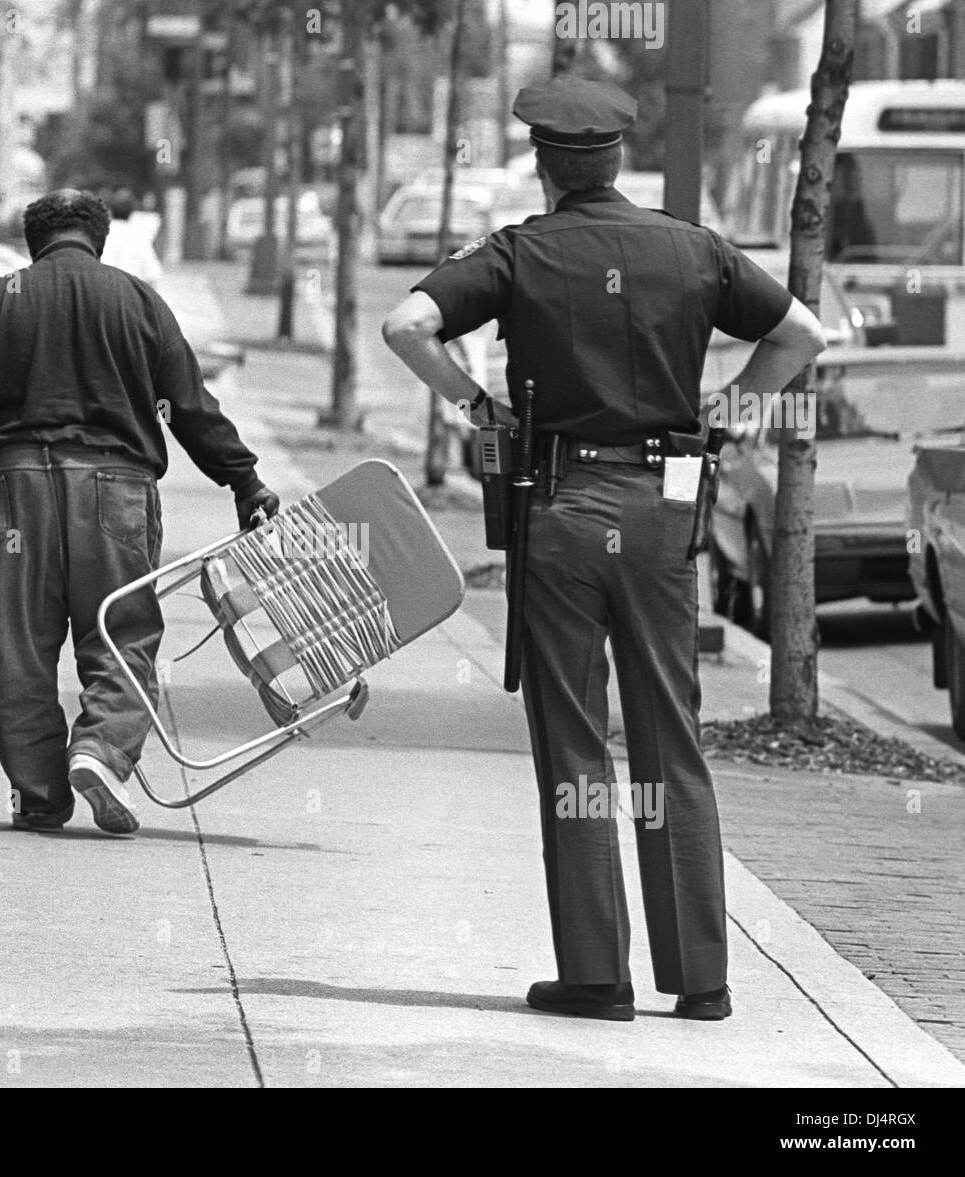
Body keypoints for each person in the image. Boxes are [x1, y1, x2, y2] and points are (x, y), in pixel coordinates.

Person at [382, 76, 825, 1021]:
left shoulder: (518, 252)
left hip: (562, 505)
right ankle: (702, 979)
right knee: (673, 737)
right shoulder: (693, 248)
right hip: (666, 506)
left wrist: (477, 405)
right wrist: (727, 413)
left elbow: (406, 323)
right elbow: (802, 332)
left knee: (576, 743)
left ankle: (597, 976)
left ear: (544, 164)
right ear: (619, 159)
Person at [0, 189, 279, 835]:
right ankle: (102, 750)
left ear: (34, 242)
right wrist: (242, 481)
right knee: (121, 633)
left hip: (17, 485)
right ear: (99, 239)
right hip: (115, 487)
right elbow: (190, 402)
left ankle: (39, 794)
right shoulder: (135, 299)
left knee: (25, 646)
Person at [100, 187, 164, 287]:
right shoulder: (138, 237)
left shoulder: (102, 236)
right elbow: (152, 275)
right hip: (131, 294)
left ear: (111, 211)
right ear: (132, 213)